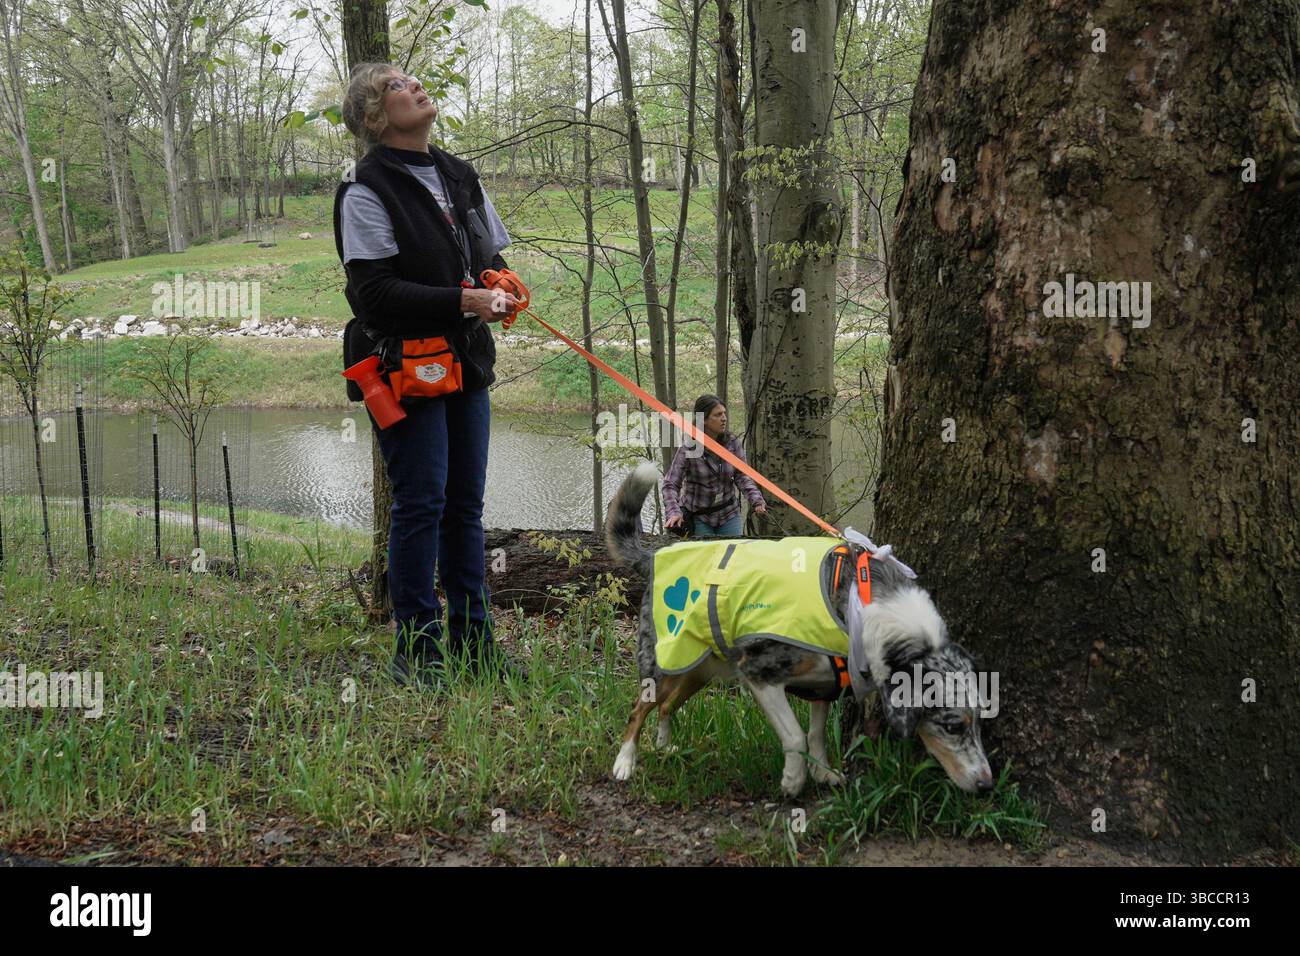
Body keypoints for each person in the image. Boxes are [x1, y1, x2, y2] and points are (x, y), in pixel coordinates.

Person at [334, 63, 525, 687]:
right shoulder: (364, 187)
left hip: (464, 362)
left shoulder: (457, 173)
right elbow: (376, 293)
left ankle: (474, 643)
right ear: (374, 117)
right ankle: (417, 652)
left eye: (413, 80)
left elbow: (486, 252)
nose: (413, 87)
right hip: (400, 366)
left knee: (464, 507)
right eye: (396, 87)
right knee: (421, 505)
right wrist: (464, 301)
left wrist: (496, 282)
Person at [662, 394, 767, 537]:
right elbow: (670, 484)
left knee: (731, 555)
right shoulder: (689, 448)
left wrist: (756, 499)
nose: (724, 418)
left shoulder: (732, 443)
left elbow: (742, 475)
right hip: (699, 518)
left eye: (724, 413)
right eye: (718, 415)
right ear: (703, 420)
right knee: (707, 558)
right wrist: (674, 511)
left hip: (729, 514)